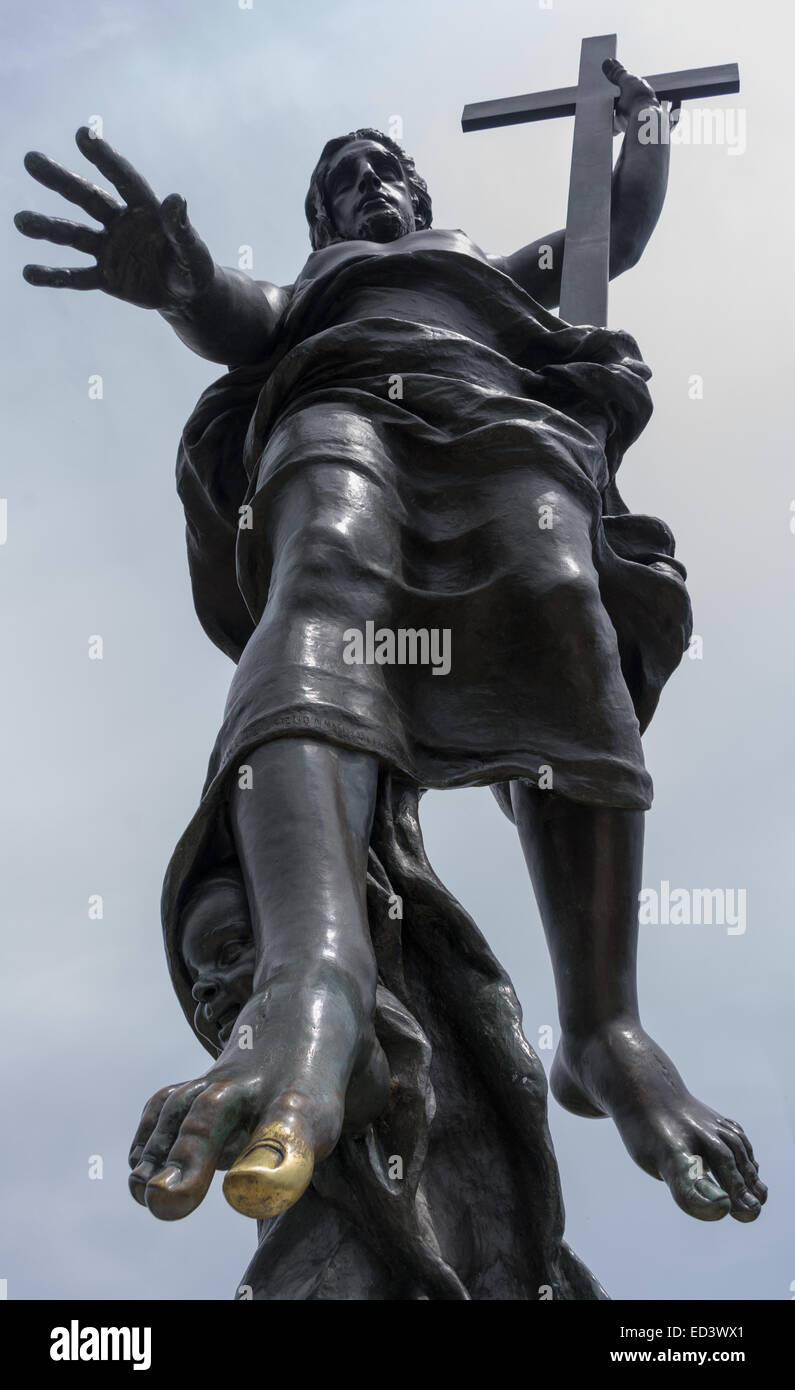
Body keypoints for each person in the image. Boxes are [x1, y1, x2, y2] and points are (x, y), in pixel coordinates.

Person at [17, 59, 765, 1235]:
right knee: (322, 580)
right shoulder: (326, 285)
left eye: (383, 169)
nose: (367, 185)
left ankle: (604, 1026)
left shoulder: (476, 270)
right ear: (323, 221)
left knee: (561, 602)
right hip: (340, 408)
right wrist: (180, 283)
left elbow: (606, 234)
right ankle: (317, 972)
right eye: (341, 180)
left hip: (503, 424)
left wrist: (650, 121)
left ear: (416, 192)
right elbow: (237, 313)